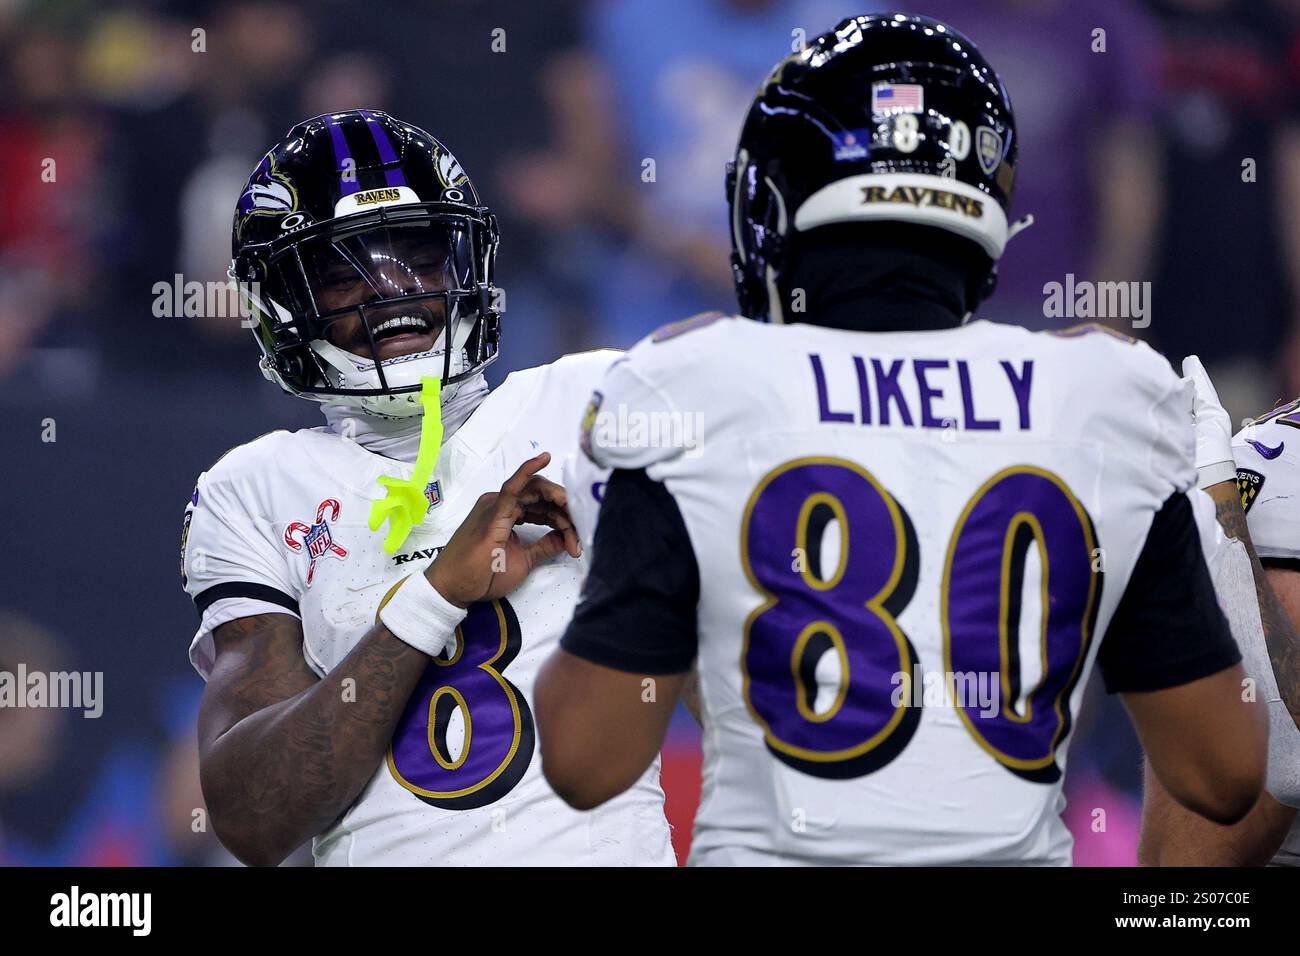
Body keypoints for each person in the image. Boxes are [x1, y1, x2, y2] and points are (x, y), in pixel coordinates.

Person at [534, 14, 1266, 865]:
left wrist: (662, 586)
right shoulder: (1108, 397)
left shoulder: (688, 386)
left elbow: (586, 760)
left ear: (777, 201)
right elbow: (1223, 774)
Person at [181, 110, 674, 866]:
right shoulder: (251, 491)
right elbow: (255, 818)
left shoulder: (595, 403)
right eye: (345, 273)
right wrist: (434, 596)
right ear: (283, 305)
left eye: (420, 256)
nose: (393, 290)